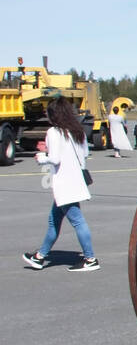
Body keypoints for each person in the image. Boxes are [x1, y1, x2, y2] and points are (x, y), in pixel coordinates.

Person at [23, 96, 98, 272]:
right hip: (75, 181)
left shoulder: (54, 132)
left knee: (77, 221)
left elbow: (55, 158)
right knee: (54, 220)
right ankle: (40, 256)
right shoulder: (77, 130)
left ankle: (90, 258)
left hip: (65, 183)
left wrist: (42, 157)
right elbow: (85, 154)